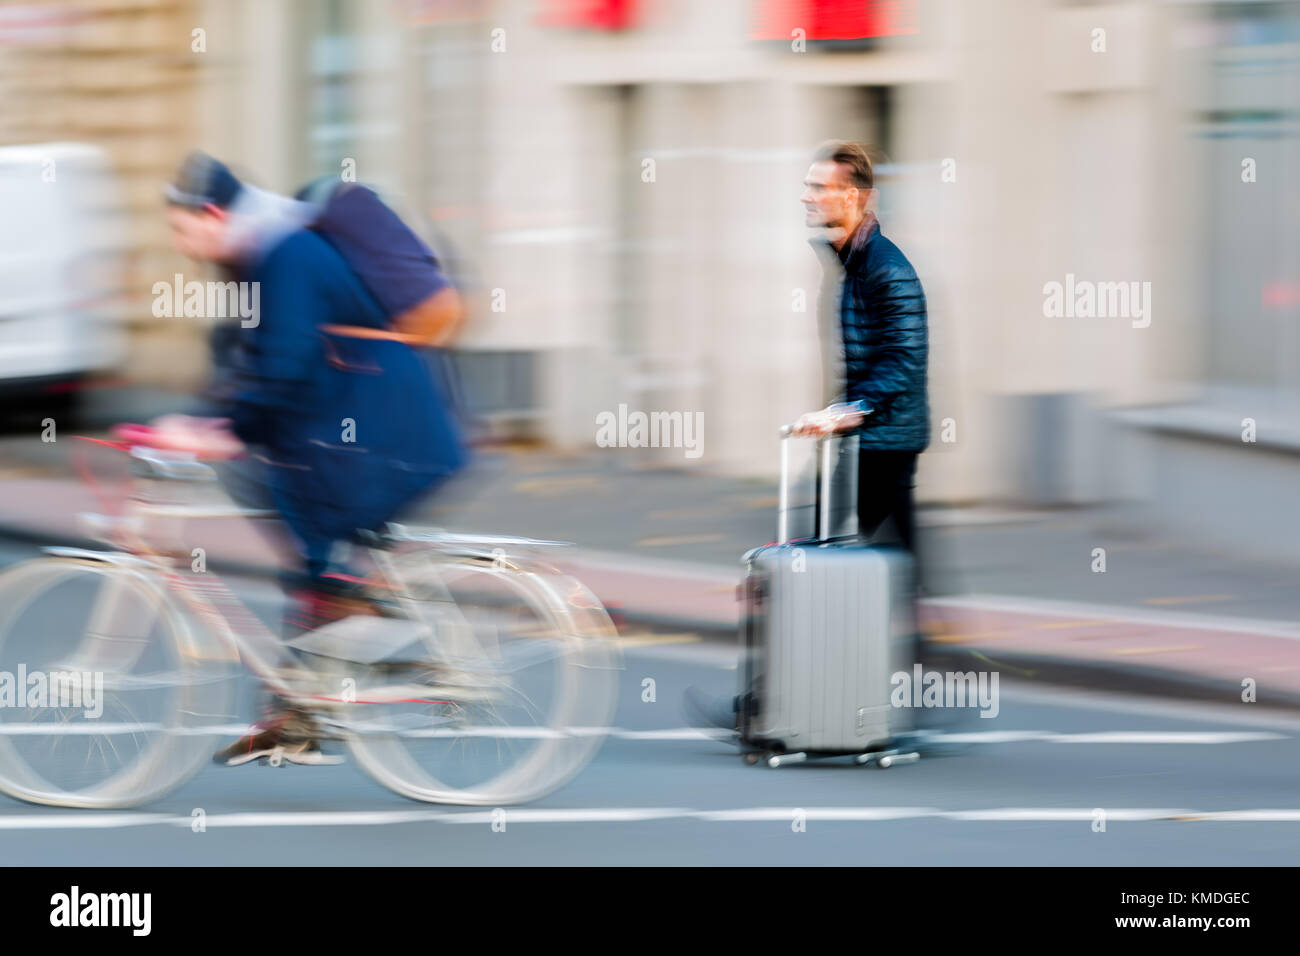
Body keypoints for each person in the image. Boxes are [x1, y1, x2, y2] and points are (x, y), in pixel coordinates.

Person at [158, 152, 469, 765]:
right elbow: (247, 357)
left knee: (315, 552)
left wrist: (225, 428)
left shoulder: (285, 254)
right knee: (304, 549)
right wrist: (203, 421)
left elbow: (287, 361)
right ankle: (302, 707)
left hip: (383, 436)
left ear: (213, 213)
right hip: (347, 433)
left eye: (181, 228)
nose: (180, 245)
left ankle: (366, 643)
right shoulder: (255, 257)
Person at [684, 140, 932, 735]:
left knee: (803, 572)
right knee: (892, 577)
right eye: (810, 185)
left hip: (879, 447)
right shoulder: (852, 261)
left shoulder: (885, 268)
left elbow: (906, 357)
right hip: (866, 445)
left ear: (857, 196)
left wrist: (851, 410)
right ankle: (904, 699)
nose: (809, 195)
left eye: (821, 186)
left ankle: (774, 707)